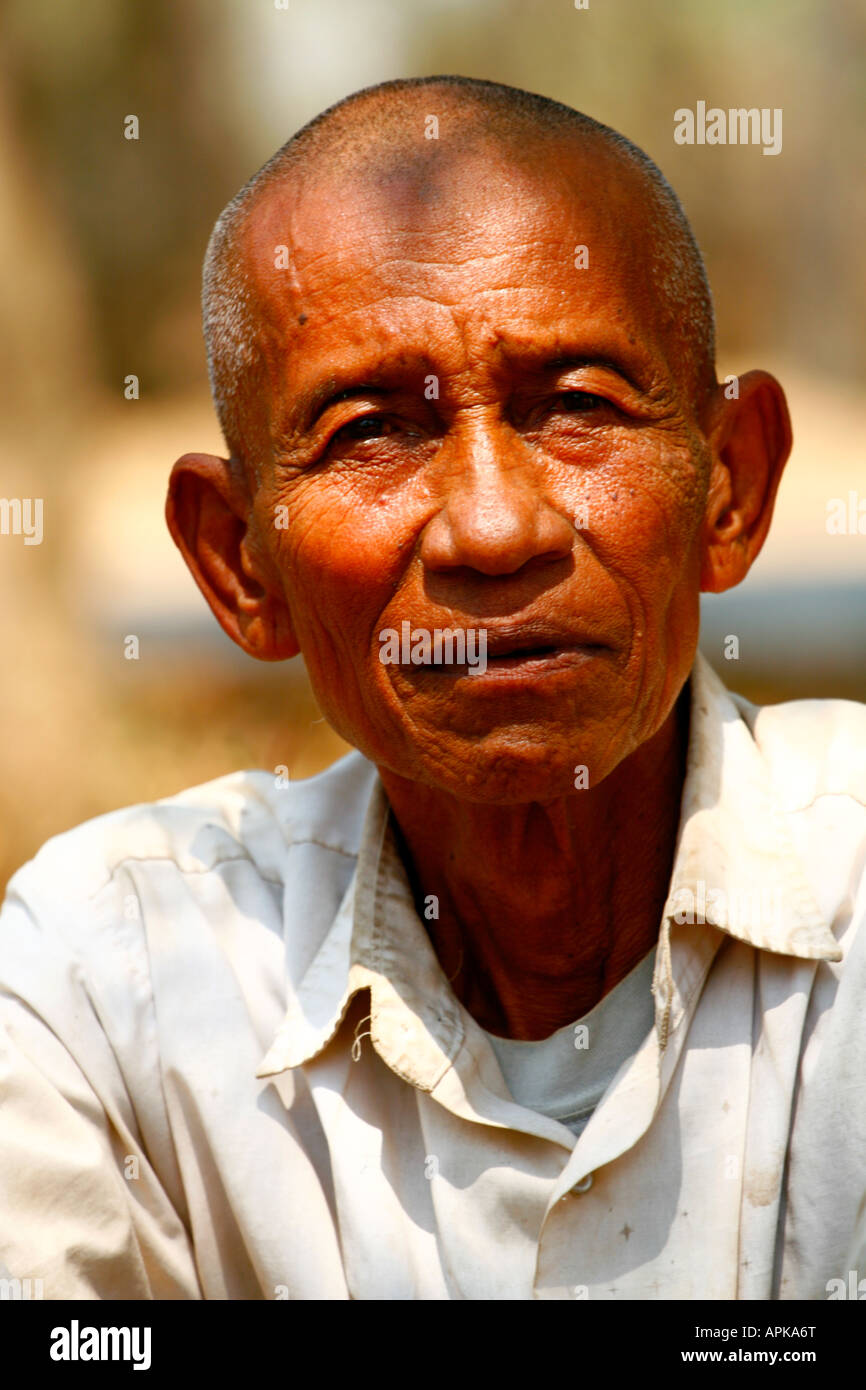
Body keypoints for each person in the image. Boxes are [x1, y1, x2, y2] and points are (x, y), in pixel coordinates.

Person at [1, 75, 864, 1301]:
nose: (493, 526)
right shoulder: (111, 976)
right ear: (241, 566)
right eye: (370, 433)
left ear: (728, 487)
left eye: (575, 406)